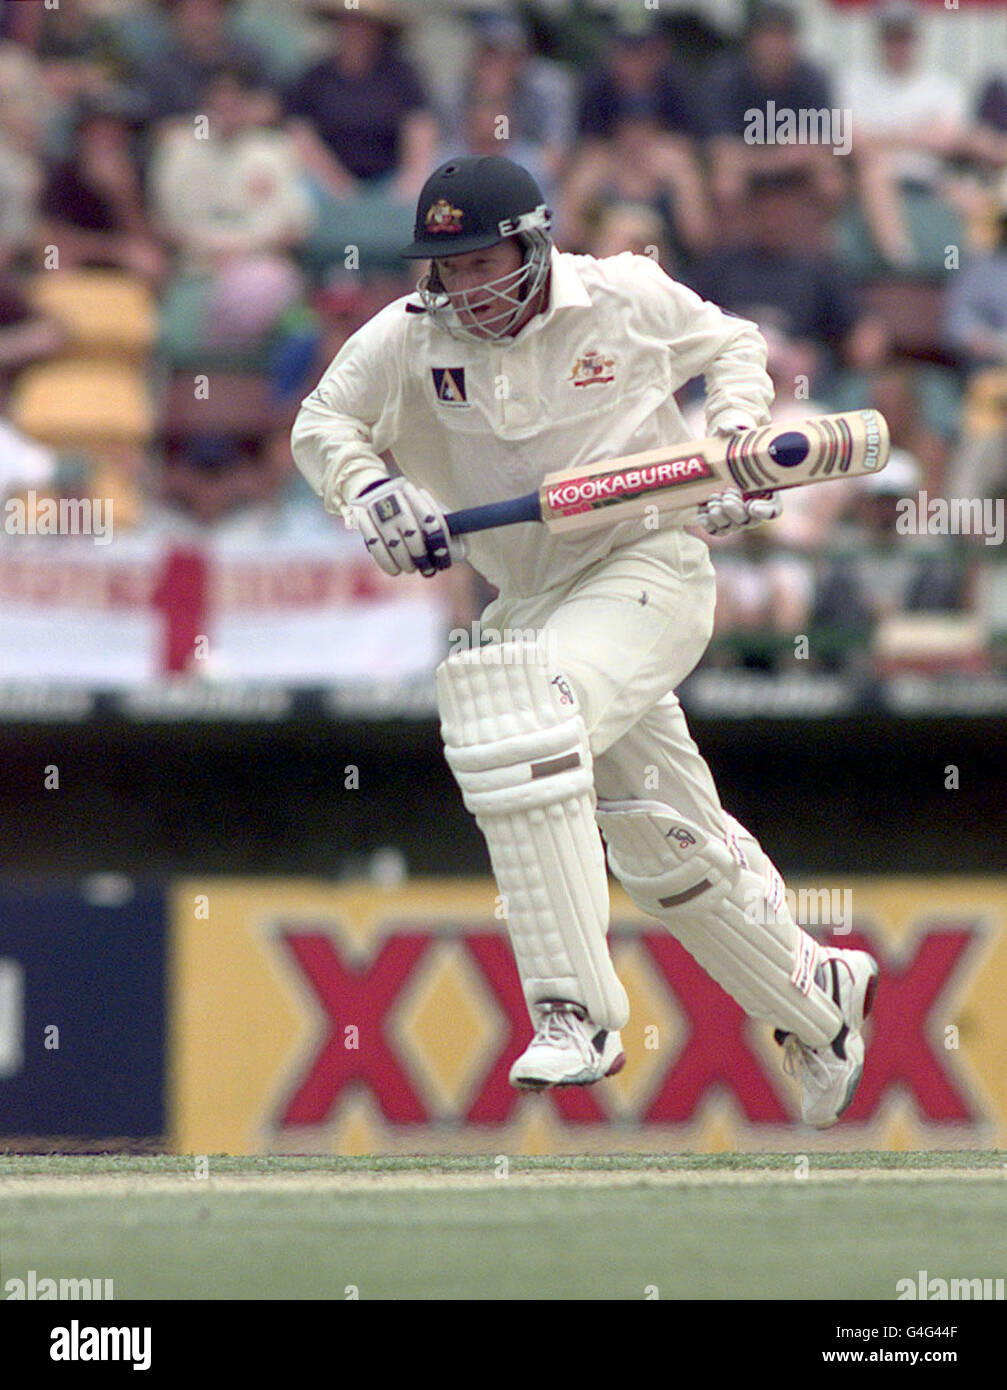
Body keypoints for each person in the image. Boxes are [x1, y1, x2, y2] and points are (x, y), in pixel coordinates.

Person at [290, 155, 879, 1127]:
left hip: (647, 565)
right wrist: (373, 493)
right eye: (448, 268)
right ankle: (816, 999)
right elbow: (324, 425)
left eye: (484, 262)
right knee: (660, 845)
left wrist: (733, 437)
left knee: (518, 702)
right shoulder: (406, 342)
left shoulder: (620, 293)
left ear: (528, 244)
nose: (466, 287)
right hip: (530, 595)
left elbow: (732, 345)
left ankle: (574, 1008)